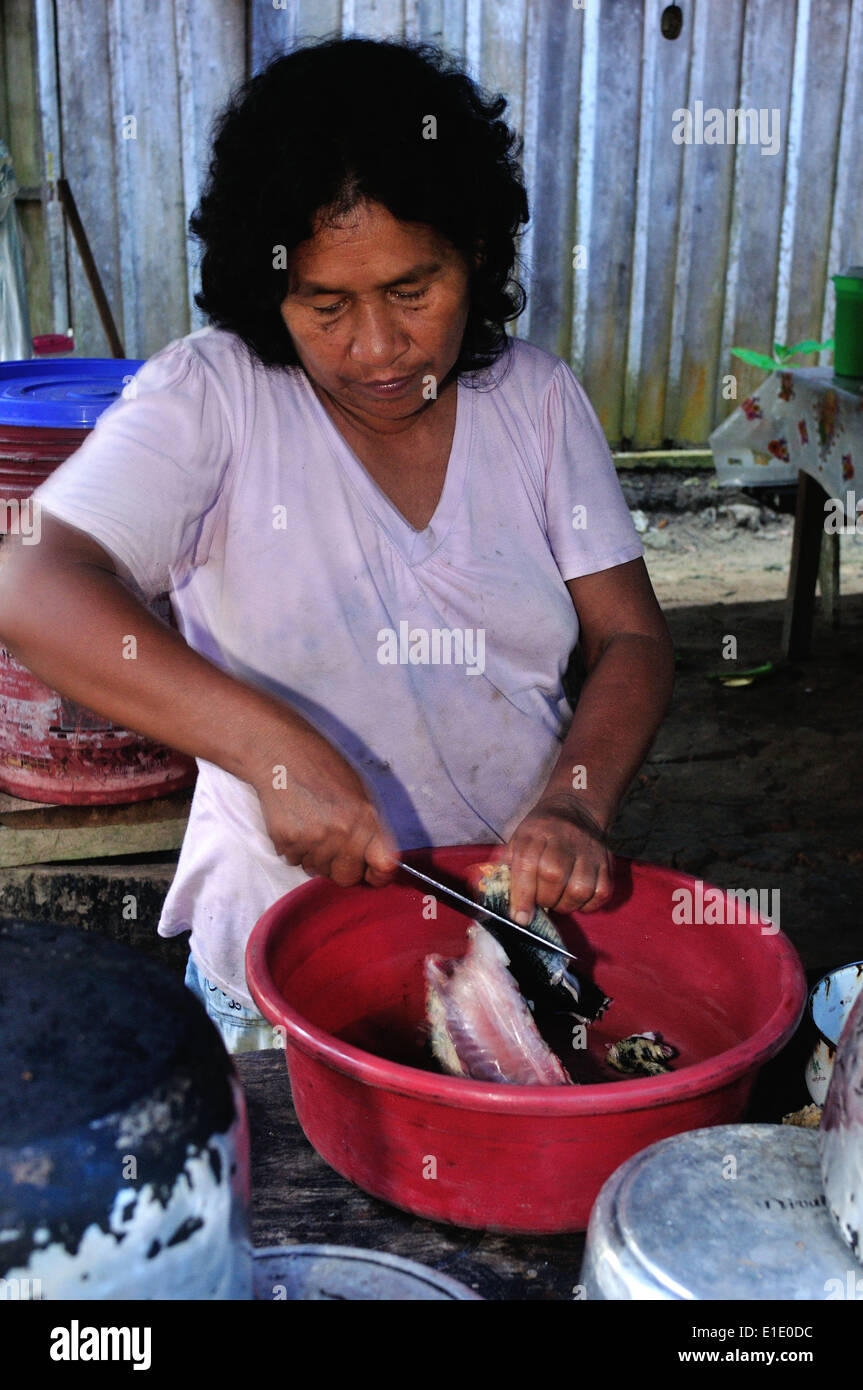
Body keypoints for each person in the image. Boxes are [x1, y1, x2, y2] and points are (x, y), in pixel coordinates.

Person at [0, 36, 674, 1054]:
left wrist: (574, 802)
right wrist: (266, 751)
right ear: (268, 290)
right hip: (282, 974)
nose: (376, 348)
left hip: (503, 950)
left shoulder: (533, 400)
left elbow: (627, 639)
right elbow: (31, 580)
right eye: (325, 304)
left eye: (414, 289)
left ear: (477, 254)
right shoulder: (212, 396)